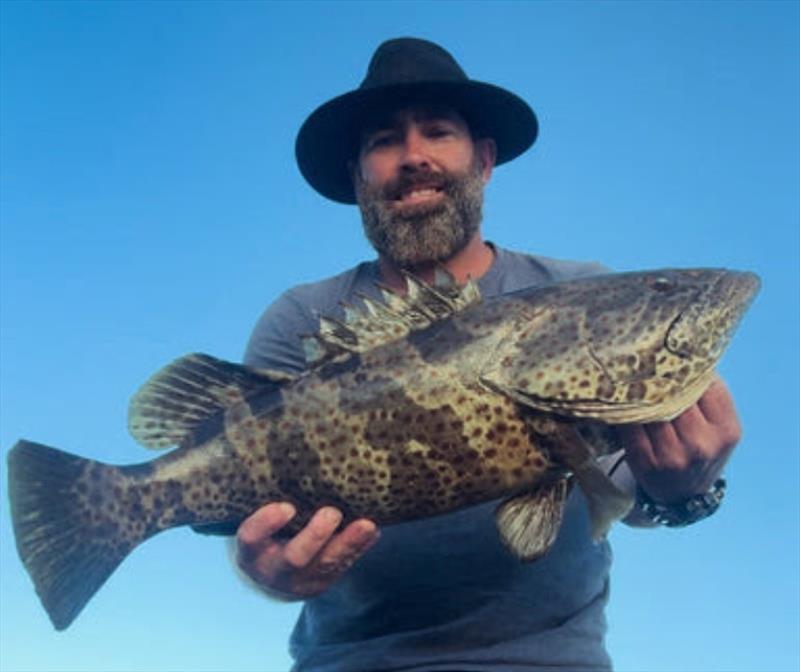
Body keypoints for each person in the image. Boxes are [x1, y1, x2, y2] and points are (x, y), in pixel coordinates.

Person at [232, 38, 741, 671]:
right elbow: (252, 527)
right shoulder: (302, 319)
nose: (413, 156)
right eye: (384, 141)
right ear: (357, 176)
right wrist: (267, 574)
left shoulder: (572, 291)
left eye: (439, 132)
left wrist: (685, 490)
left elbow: (622, 492)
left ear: (485, 159)